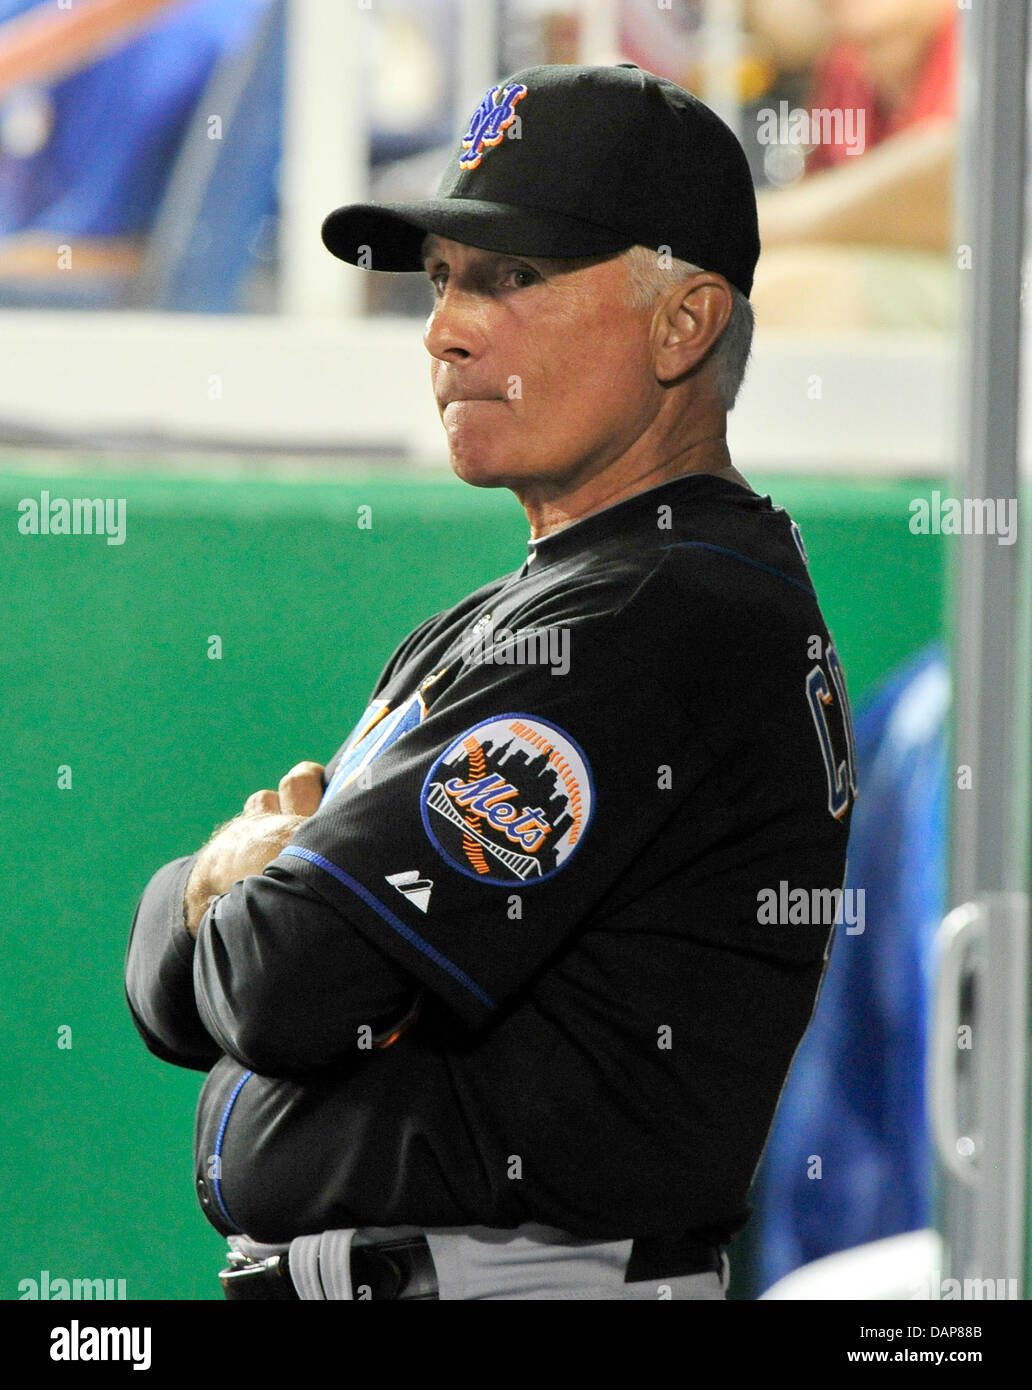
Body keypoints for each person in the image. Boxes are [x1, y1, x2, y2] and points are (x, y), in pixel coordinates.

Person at [125, 61, 857, 1301]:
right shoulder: (534, 607)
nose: (445, 327)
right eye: (444, 279)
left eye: (512, 279)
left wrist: (247, 889)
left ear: (685, 322)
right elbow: (167, 987)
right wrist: (217, 883)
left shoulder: (661, 611)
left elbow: (290, 986)